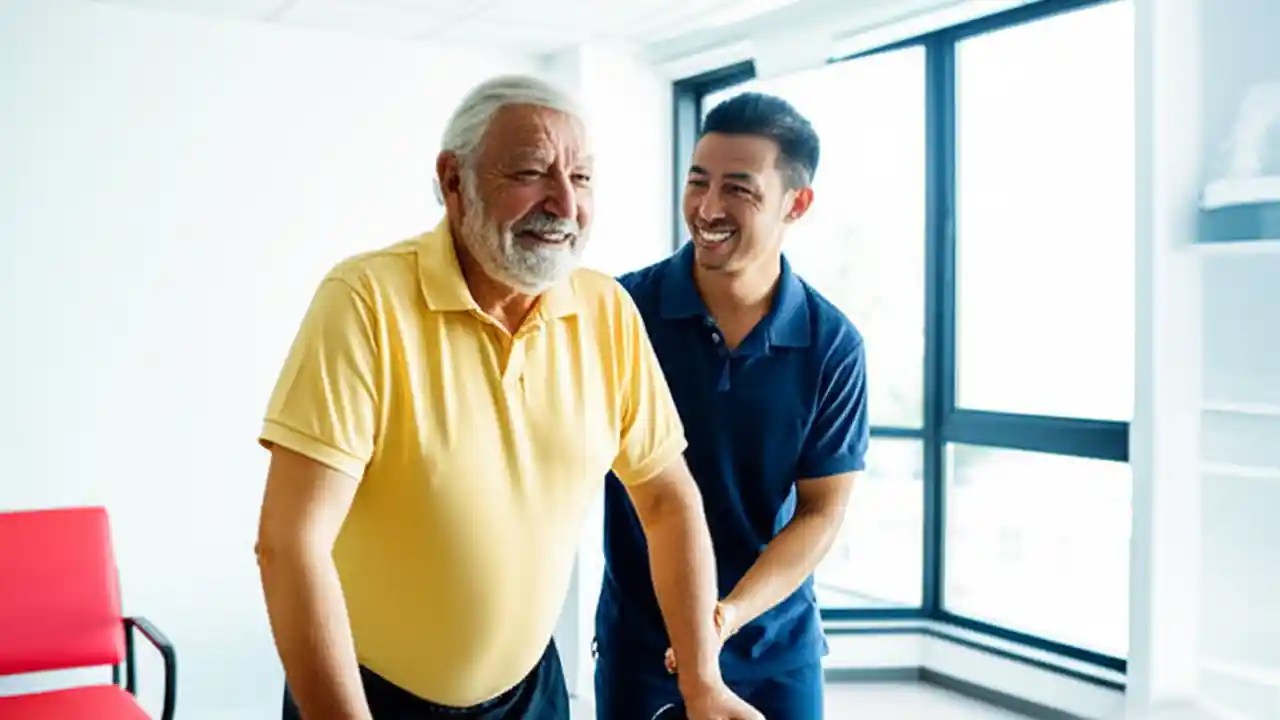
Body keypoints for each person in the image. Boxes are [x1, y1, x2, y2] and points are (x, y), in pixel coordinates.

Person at [253, 75, 763, 720]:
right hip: (370, 697)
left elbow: (665, 500)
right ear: (453, 179)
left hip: (531, 692)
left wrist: (702, 683)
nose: (562, 203)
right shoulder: (365, 300)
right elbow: (291, 542)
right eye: (530, 172)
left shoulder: (607, 311)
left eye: (580, 179)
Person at [594, 92, 869, 720]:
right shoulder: (621, 312)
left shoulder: (833, 346)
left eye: (738, 190)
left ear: (796, 204)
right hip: (645, 645)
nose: (707, 208)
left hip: (774, 646)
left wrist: (730, 613)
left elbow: (822, 512)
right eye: (698, 181)